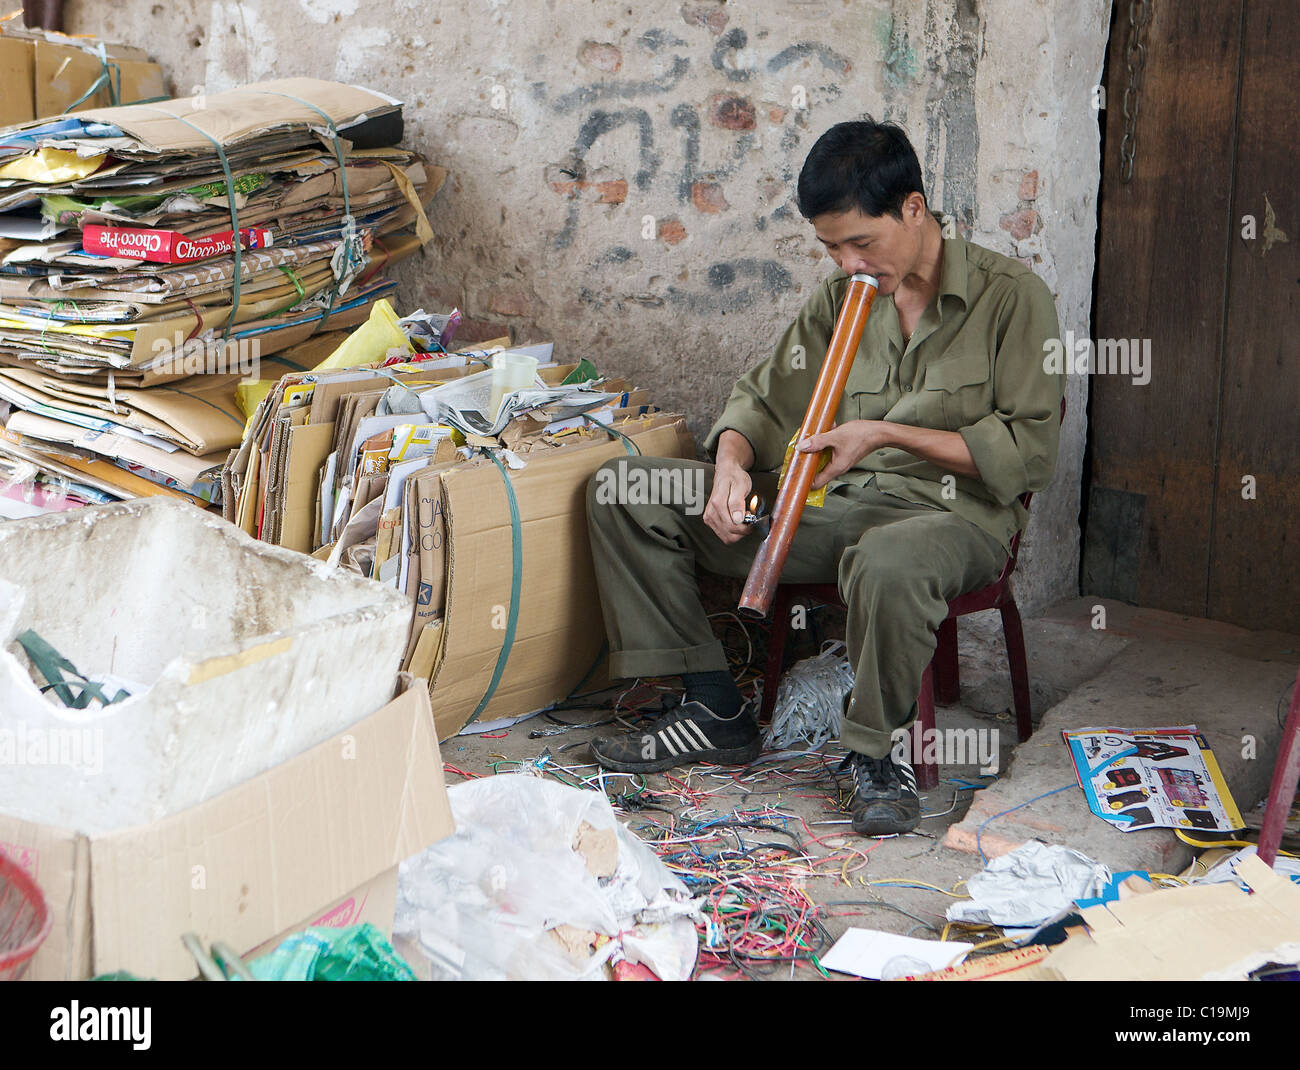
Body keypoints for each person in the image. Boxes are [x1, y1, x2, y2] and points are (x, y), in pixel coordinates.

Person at [584, 119, 1063, 836]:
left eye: (860, 243)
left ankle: (874, 753)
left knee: (888, 560)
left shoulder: (1011, 300)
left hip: (949, 519)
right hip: (828, 504)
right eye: (831, 247)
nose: (846, 264)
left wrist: (886, 433)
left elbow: (1029, 452)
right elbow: (761, 403)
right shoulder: (840, 302)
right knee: (623, 491)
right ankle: (714, 704)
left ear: (912, 208)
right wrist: (729, 467)